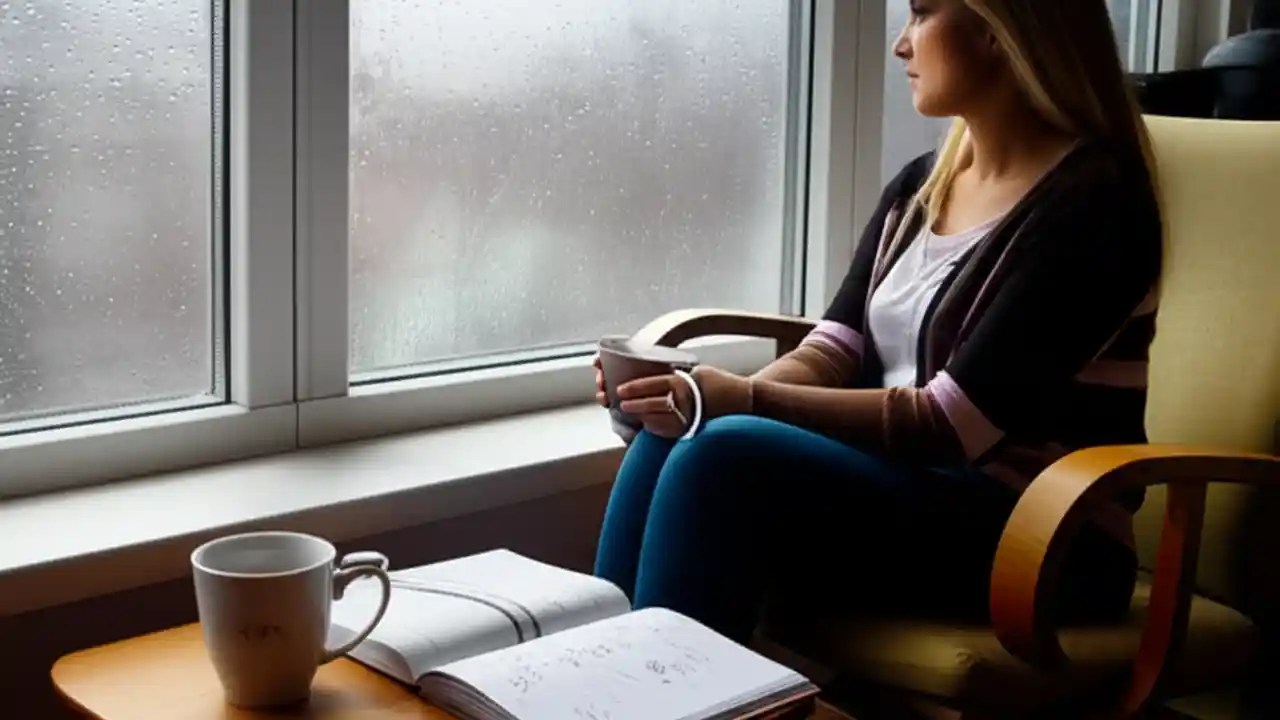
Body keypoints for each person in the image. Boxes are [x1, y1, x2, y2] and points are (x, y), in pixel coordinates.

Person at [593, 0, 1163, 645]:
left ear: (1003, 32)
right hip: (919, 492)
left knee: (722, 454)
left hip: (1045, 536)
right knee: (681, 436)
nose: (901, 45)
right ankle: (594, 686)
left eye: (921, 14)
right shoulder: (923, 185)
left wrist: (742, 400)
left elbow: (952, 425)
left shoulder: (1096, 204)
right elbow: (835, 350)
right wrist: (691, 399)